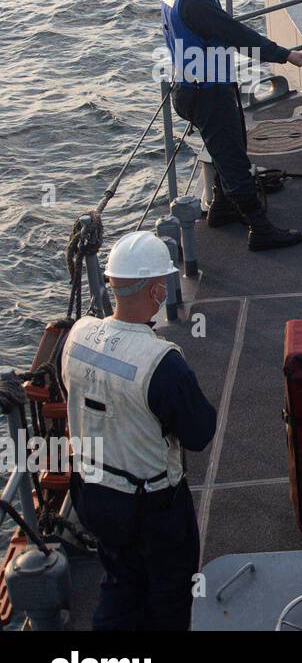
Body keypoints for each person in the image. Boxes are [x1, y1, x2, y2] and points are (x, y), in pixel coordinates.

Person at [63, 231, 217, 630]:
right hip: (152, 507)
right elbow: (200, 433)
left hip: (94, 495)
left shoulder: (76, 337)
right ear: (155, 290)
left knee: (119, 583)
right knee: (170, 595)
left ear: (111, 284)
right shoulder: (162, 362)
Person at [163, 0, 302, 250]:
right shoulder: (196, 1)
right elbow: (236, 34)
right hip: (208, 92)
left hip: (188, 87)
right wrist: (284, 54)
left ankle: (223, 208)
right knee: (234, 160)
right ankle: (260, 229)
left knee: (228, 147)